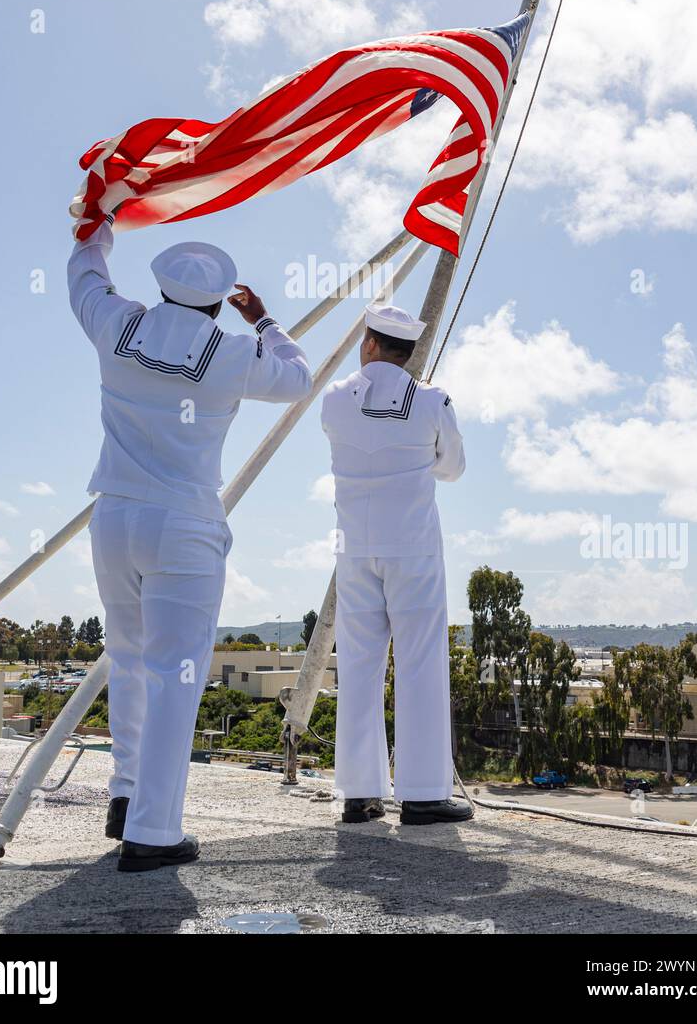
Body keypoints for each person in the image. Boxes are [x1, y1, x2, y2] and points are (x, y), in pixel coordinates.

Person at [68, 214, 311, 871]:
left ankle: (126, 797)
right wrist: (264, 321)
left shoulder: (117, 324)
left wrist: (97, 224)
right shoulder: (233, 353)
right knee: (177, 675)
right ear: (219, 301)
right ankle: (152, 831)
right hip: (183, 525)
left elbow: (84, 275)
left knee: (128, 659)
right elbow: (298, 379)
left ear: (163, 286)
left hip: (114, 516)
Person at [320, 302, 471, 826]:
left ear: (369, 343)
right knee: (420, 663)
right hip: (412, 548)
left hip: (354, 549)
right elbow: (453, 468)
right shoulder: (432, 400)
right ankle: (423, 794)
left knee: (358, 665)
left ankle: (359, 793)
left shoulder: (333, 400)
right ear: (408, 352)